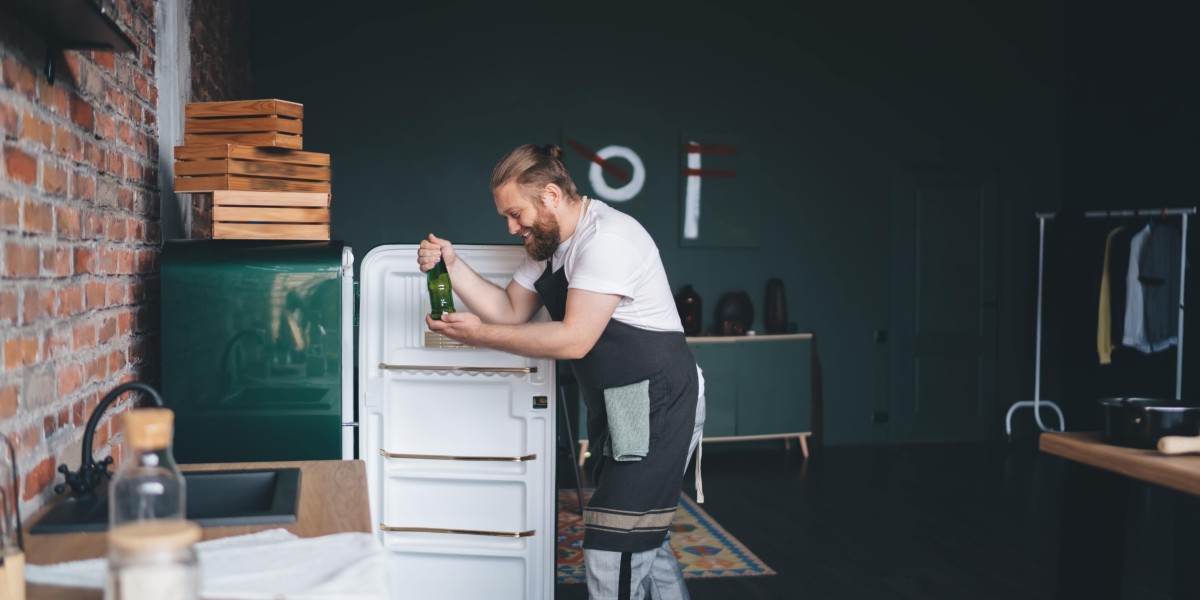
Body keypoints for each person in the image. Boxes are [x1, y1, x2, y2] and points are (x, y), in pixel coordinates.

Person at [418, 143, 705, 600]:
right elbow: (510, 310)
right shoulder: (547, 246)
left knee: (614, 546)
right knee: (642, 538)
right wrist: (453, 267)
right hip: (622, 404)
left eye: (515, 214)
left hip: (661, 402)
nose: (513, 228)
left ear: (551, 195)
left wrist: (477, 336)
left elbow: (574, 339)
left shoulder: (606, 239)